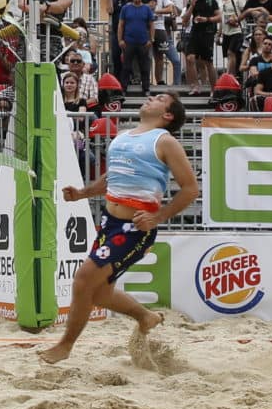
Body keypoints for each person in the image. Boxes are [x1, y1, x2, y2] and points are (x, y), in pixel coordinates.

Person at [39, 91, 195, 365]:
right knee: (99, 293)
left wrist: (157, 217)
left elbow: (191, 189)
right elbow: (112, 177)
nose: (150, 97)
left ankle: (65, 345)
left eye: (159, 98)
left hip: (135, 228)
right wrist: (82, 193)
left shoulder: (165, 141)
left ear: (168, 115)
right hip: (109, 224)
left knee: (83, 280)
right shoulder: (124, 136)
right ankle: (145, 317)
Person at [117, 0, 156, 95]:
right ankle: (123, 89)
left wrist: (151, 39)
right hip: (128, 42)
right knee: (126, 67)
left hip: (143, 42)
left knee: (145, 67)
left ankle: (146, 89)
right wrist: (120, 40)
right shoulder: (125, 8)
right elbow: (121, 25)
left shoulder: (147, 9)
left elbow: (151, 25)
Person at [185, 0, 220, 88]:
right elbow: (185, 19)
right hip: (195, 32)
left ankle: (214, 89)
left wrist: (207, 19)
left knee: (208, 62)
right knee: (190, 58)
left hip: (207, 33)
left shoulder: (211, 0)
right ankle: (195, 86)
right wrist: (191, 6)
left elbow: (219, 17)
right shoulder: (191, 1)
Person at [217, 0, 247, 73]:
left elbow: (246, 11)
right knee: (228, 55)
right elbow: (221, 19)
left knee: (231, 52)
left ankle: (230, 75)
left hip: (237, 30)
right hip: (226, 32)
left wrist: (236, 19)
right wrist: (219, 34)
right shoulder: (220, 1)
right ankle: (233, 75)